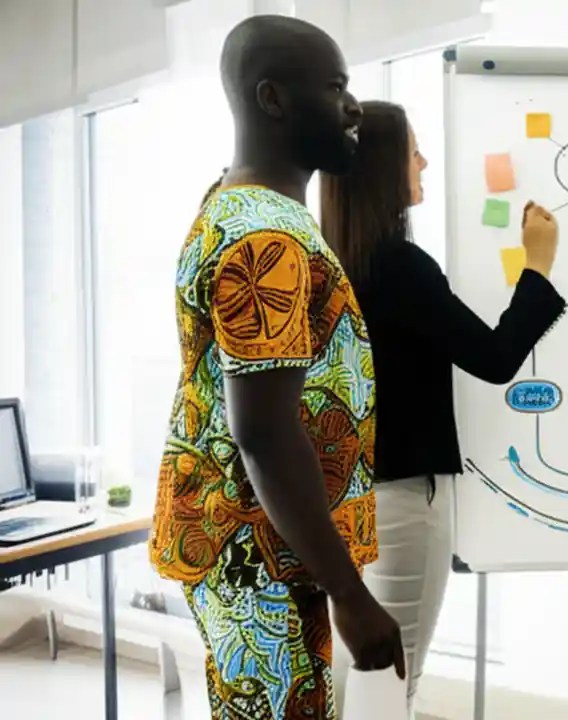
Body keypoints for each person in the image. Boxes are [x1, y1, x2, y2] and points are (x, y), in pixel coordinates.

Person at [148, 15, 404, 719]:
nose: (354, 105)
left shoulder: (233, 204)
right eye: (335, 86)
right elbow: (262, 431)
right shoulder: (266, 237)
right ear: (273, 100)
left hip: (258, 544)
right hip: (256, 557)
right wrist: (351, 595)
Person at [319, 100, 566, 712]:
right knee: (392, 680)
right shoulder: (400, 267)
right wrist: (538, 265)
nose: (424, 162)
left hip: (347, 501)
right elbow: (494, 356)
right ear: (382, 167)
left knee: (360, 675)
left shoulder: (332, 262)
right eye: (413, 151)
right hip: (403, 506)